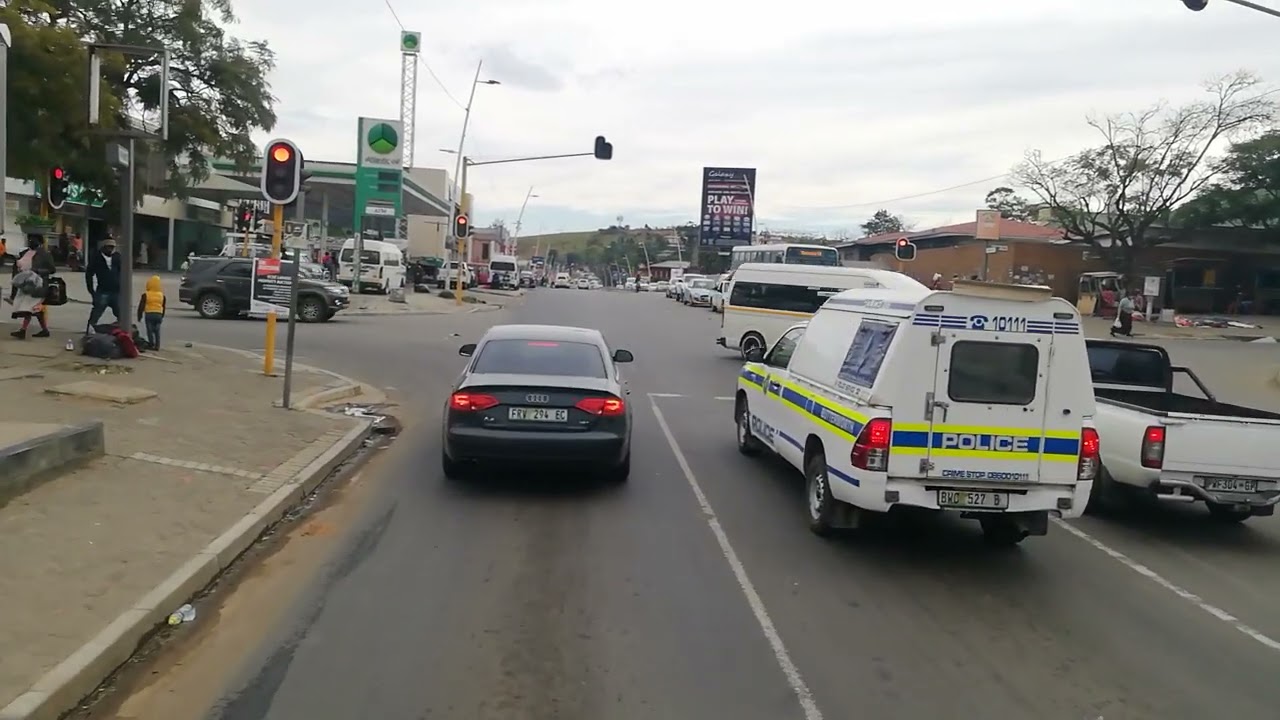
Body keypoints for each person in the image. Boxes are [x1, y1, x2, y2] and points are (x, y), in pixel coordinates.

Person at [9, 235, 56, 339]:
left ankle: (23, 331)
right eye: (30, 239)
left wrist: (38, 271)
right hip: (25, 284)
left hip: (38, 285)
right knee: (32, 309)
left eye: (33, 240)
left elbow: (52, 269)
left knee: (29, 308)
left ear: (39, 241)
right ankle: (44, 330)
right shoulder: (24, 253)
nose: (31, 241)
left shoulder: (45, 254)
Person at [86, 237, 123, 331]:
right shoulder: (96, 258)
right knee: (97, 311)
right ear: (103, 247)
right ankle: (90, 329)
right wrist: (91, 290)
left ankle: (123, 329)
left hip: (116, 290)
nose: (110, 249)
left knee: (121, 312)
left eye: (112, 247)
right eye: (108, 247)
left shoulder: (117, 257)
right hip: (103, 290)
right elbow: (89, 274)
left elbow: (123, 272)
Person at [135, 275, 166, 350]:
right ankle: (157, 345)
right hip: (158, 314)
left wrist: (139, 316)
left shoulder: (146, 295)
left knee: (149, 329)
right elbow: (163, 307)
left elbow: (141, 307)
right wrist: (162, 316)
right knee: (157, 330)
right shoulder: (162, 296)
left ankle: (151, 344)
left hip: (149, 314)